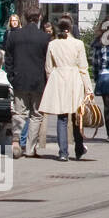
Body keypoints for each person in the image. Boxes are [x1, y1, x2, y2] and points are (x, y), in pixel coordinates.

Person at [37, 17, 91, 162]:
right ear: (71, 27)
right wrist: (88, 88)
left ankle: (63, 152)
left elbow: (48, 67)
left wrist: (51, 81)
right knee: (76, 117)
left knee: (61, 117)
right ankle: (79, 147)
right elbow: (83, 67)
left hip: (58, 78)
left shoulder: (53, 44)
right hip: (74, 79)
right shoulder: (78, 44)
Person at [5, 10, 50, 159]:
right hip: (38, 81)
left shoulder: (15, 36)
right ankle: (30, 148)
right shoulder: (44, 38)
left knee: (19, 113)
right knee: (36, 115)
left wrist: (11, 76)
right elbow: (47, 62)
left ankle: (16, 141)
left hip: (19, 79)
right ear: (39, 18)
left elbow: (8, 58)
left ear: (24, 18)